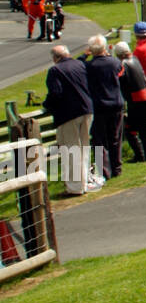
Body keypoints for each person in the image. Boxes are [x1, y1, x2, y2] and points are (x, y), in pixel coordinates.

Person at [46, 44, 98, 195]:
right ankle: (85, 181)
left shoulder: (55, 70)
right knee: (84, 147)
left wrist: (46, 104)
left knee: (71, 149)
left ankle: (75, 187)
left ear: (55, 58)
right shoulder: (79, 64)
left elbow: (56, 93)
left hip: (69, 114)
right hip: (87, 109)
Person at [85, 35, 124, 182]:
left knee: (99, 141)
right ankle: (117, 167)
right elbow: (121, 74)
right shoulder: (115, 62)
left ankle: (104, 170)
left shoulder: (89, 66)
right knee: (115, 137)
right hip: (115, 104)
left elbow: (78, 64)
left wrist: (85, 55)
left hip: (99, 106)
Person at [115, 40, 146, 162]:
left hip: (138, 99)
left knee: (130, 129)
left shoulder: (123, 64)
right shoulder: (135, 59)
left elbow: (118, 78)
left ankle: (140, 155)